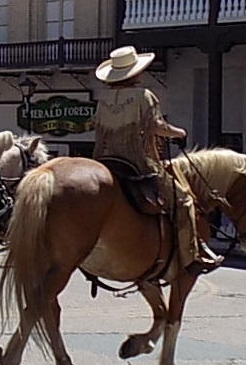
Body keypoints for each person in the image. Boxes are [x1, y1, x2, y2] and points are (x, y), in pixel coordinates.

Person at [92, 46, 221, 275]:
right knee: (184, 202)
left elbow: (99, 134)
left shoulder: (102, 100)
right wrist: (179, 133)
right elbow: (156, 127)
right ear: (135, 73)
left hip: (107, 160)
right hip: (137, 161)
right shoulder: (143, 96)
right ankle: (191, 256)